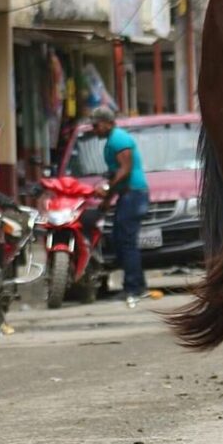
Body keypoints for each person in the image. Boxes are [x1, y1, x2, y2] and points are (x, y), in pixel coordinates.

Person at [94, 109, 149, 307]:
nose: (94, 129)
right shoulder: (112, 141)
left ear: (107, 123)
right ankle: (138, 283)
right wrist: (107, 200)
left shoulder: (118, 139)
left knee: (126, 241)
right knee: (119, 239)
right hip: (127, 195)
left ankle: (133, 287)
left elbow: (125, 169)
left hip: (134, 194)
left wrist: (107, 188)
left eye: (96, 125)